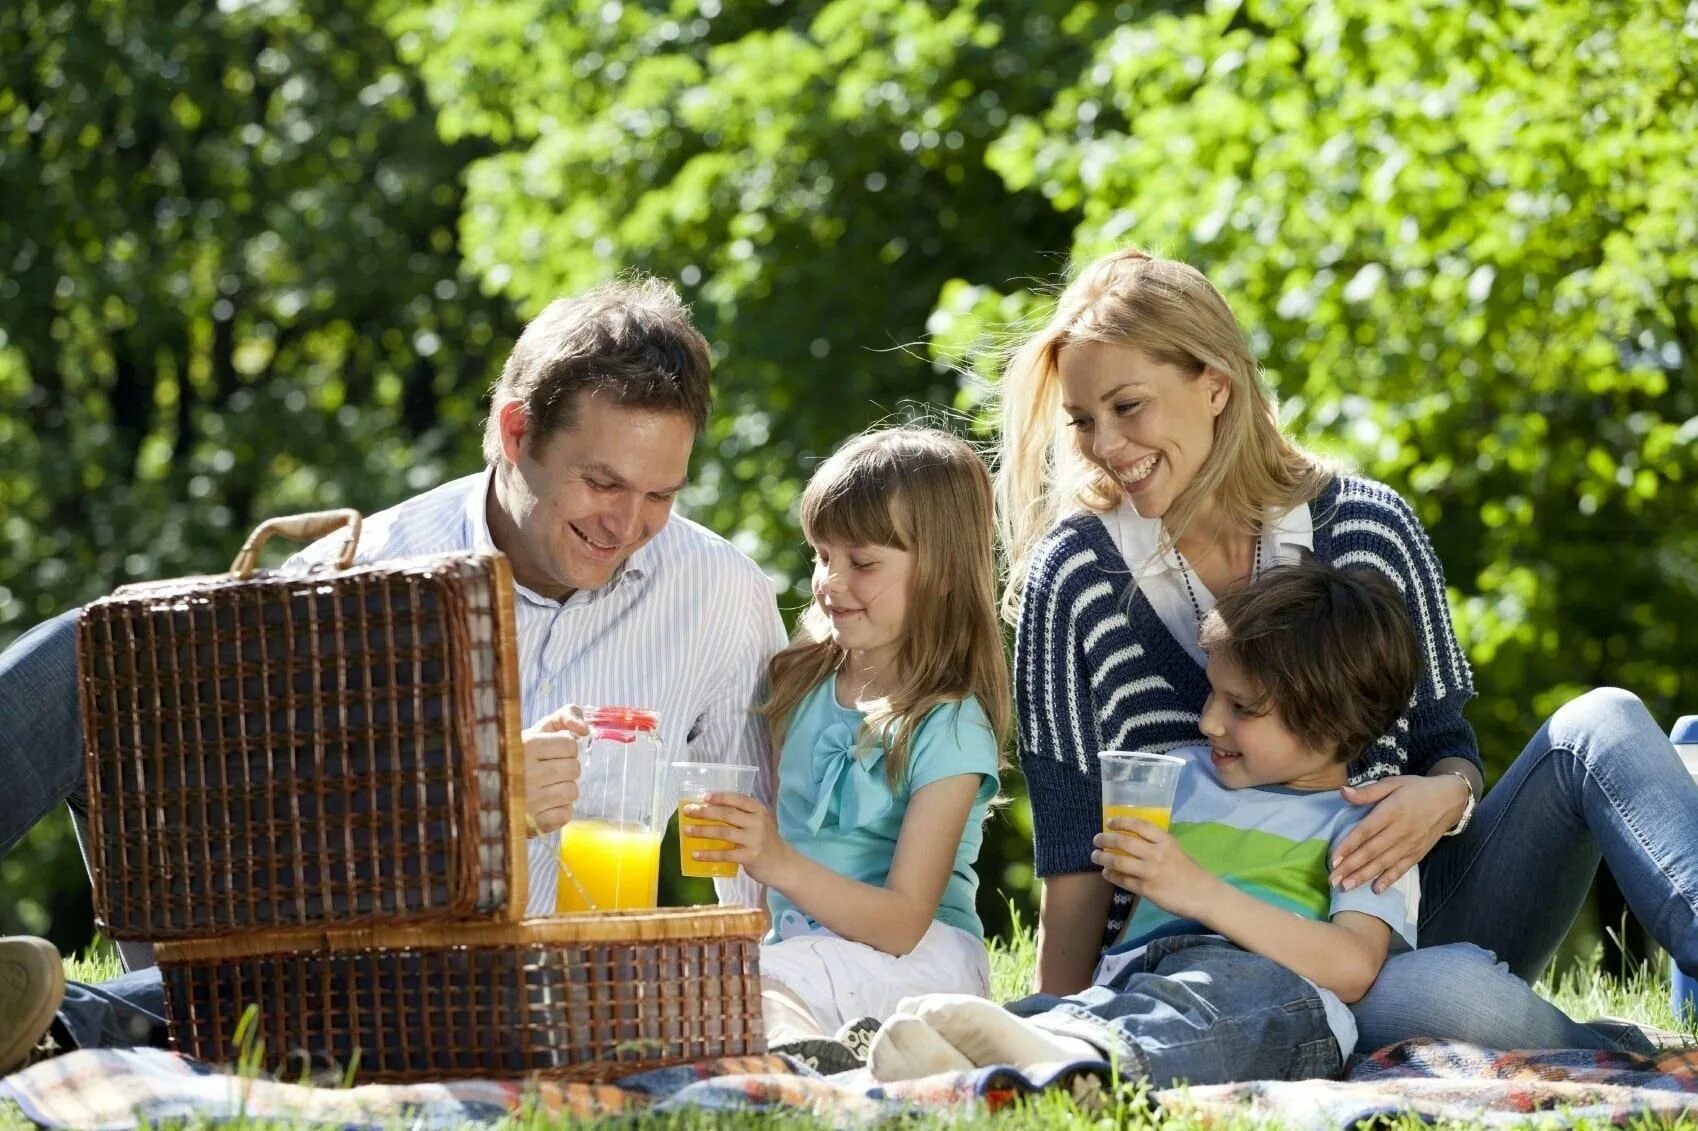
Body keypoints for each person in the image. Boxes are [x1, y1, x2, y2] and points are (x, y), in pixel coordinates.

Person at [0, 274, 786, 1061]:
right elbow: (267, 829)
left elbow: (764, 868)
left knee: (381, 983)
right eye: (603, 481)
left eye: (661, 495)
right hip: (292, 929)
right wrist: (473, 799)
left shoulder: (721, 597)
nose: (626, 523)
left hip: (491, 983)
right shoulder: (369, 566)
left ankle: (69, 1022)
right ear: (517, 434)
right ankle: (84, 1019)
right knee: (97, 654)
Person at [995, 246, 1698, 1052]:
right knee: (1451, 993)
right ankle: (1613, 1051)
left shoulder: (1367, 527)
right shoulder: (1074, 575)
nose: (1105, 445)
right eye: (1083, 420)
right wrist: (1056, 1025)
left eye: (1128, 406)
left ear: (1216, 384)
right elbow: (1072, 849)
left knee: (1601, 720)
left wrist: (1447, 795)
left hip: (1405, 910)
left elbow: (1445, 746)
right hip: (1232, 966)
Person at [869, 559, 1440, 1083]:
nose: (1210, 721)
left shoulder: (1366, 825)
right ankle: (986, 1059)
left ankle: (1079, 1063)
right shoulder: (1178, 775)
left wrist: (1197, 891)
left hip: (1273, 999)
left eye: (1241, 708)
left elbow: (1354, 966)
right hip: (1135, 981)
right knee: (1062, 1009)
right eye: (1215, 694)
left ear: (1335, 726)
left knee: (1230, 997)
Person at [679, 427, 1008, 1063]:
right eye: (821, 556)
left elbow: (904, 922)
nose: (830, 582)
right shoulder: (801, 684)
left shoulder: (949, 724)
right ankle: (843, 1057)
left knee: (744, 988)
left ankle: (810, 1071)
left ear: (941, 572)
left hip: (924, 960)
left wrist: (777, 861)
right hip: (808, 959)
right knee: (694, 983)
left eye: (861, 563)